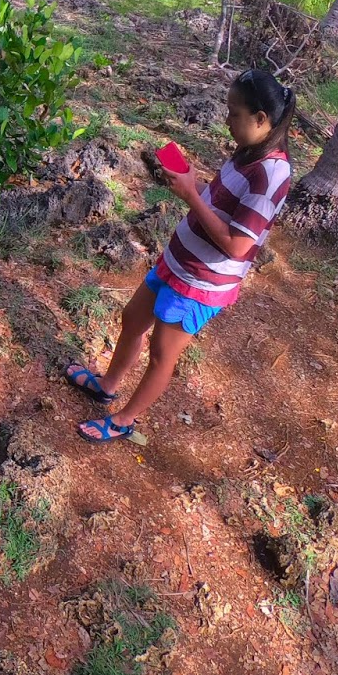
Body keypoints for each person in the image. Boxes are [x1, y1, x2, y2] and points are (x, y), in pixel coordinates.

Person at [65, 69, 295, 442]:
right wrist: (191, 182)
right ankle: (107, 384)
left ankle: (123, 421)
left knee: (162, 353)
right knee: (132, 319)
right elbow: (221, 200)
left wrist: (190, 195)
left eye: (234, 113)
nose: (227, 120)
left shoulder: (270, 174)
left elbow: (238, 244)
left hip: (201, 282)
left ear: (260, 118)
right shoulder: (248, 152)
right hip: (178, 261)